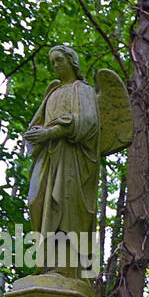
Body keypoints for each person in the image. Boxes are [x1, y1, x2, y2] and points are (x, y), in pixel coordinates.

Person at [24, 45, 99, 277]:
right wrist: (37, 133)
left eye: (59, 61)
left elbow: (88, 122)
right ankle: (46, 264)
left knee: (65, 207)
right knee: (36, 200)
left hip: (71, 159)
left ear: (72, 62)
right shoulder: (53, 92)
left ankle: (65, 268)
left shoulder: (82, 90)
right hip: (48, 156)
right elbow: (38, 122)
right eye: (52, 62)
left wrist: (53, 132)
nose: (55, 66)